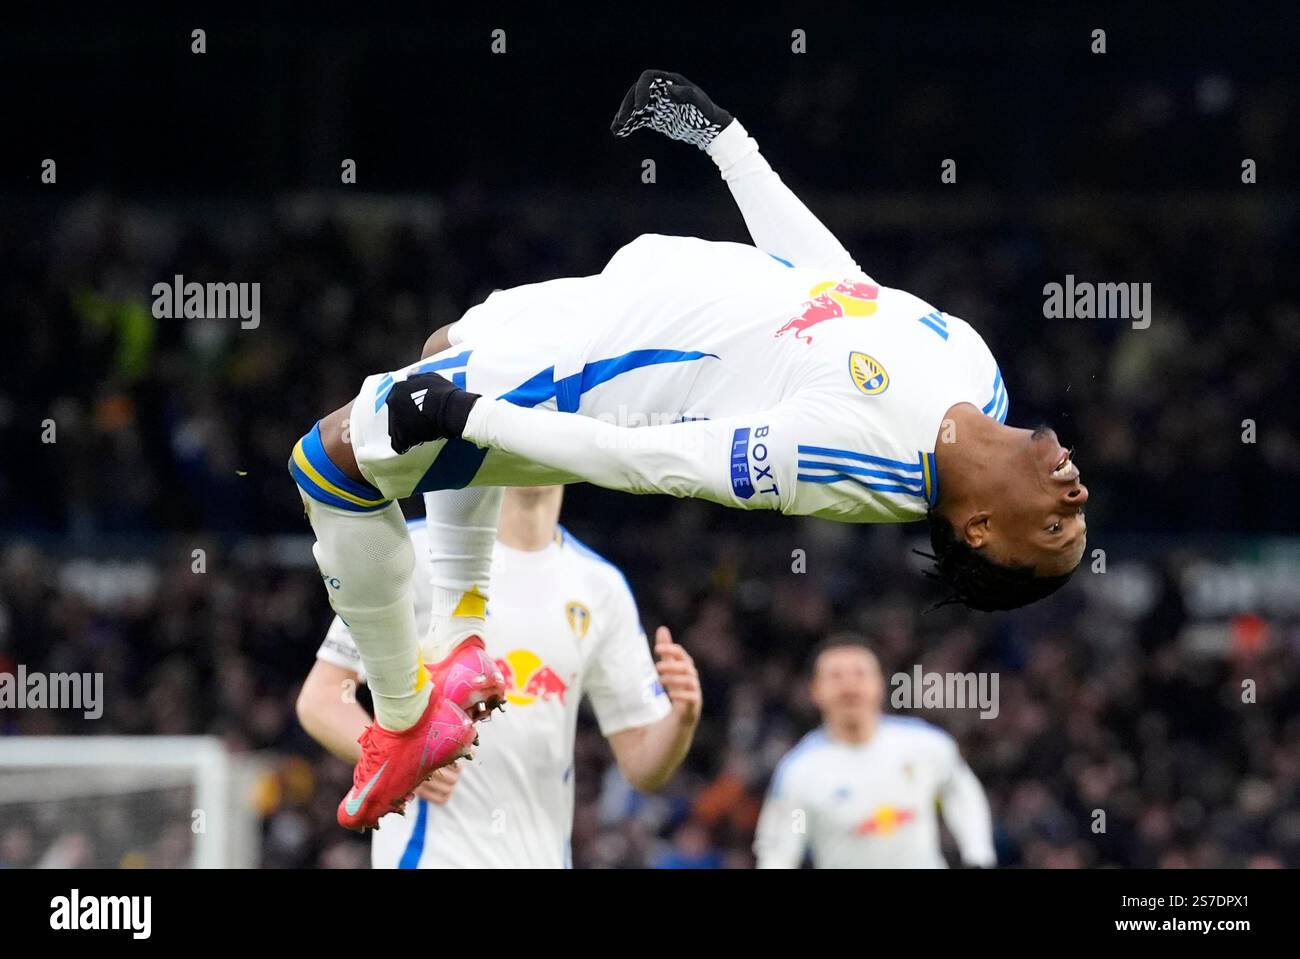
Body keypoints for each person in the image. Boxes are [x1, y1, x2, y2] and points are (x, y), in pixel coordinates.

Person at [288, 69, 1088, 829]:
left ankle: (402, 716)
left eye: (1053, 530)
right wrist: (725, 142)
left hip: (599, 369)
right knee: (443, 340)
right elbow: (842, 287)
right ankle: (460, 635)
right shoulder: (977, 371)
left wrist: (470, 415)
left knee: (327, 461)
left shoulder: (860, 465)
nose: (1074, 500)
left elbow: (646, 461)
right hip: (634, 288)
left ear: (979, 527)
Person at [296, 485, 702, 866]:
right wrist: (400, 758)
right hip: (432, 857)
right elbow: (325, 696)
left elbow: (642, 765)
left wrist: (681, 719)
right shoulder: (416, 553)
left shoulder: (600, 588)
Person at [754, 635, 996, 868]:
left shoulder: (925, 747)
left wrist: (978, 854)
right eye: (836, 676)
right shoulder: (801, 773)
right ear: (815, 690)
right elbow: (785, 843)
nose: (849, 686)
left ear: (880, 682)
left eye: (860, 674)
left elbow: (959, 792)